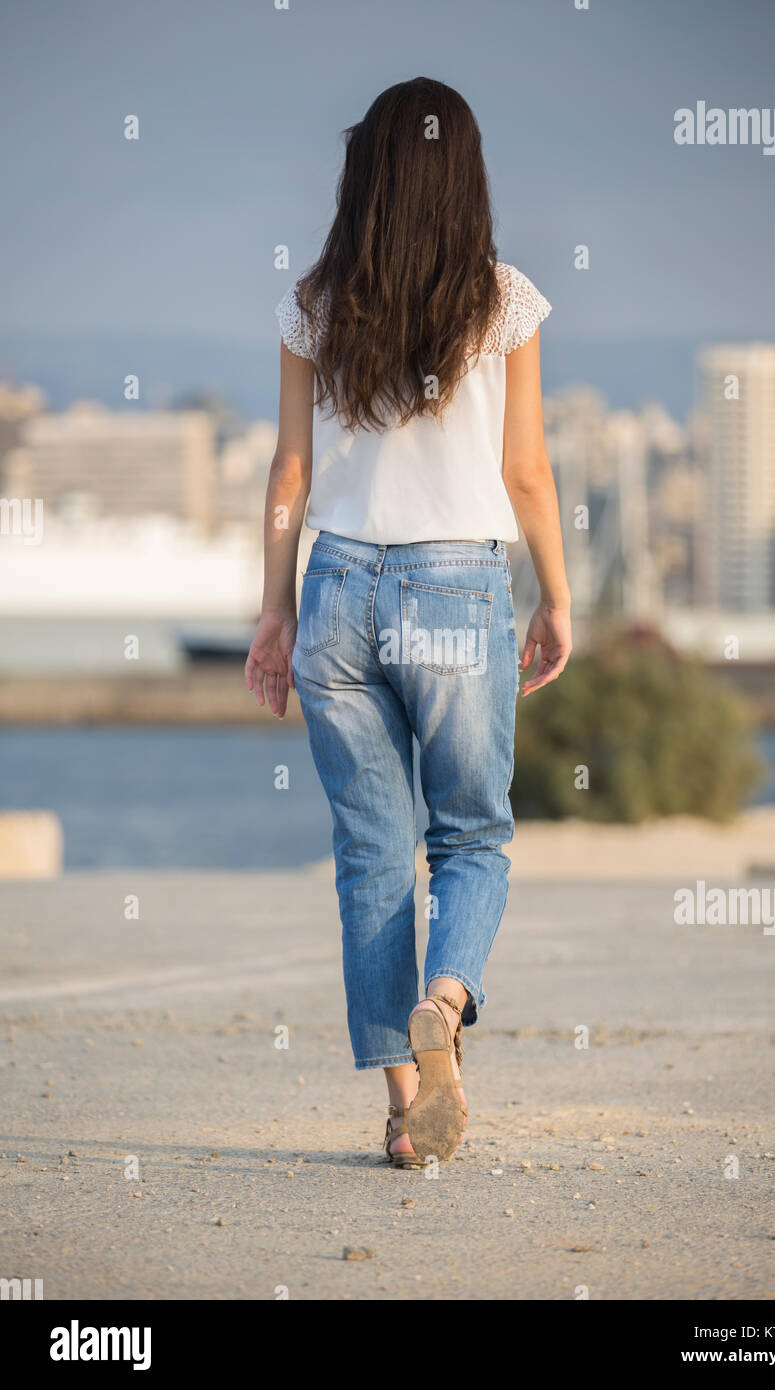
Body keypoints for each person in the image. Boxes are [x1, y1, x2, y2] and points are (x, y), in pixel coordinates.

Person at [245, 77, 571, 1168]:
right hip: (454, 582)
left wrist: (274, 609)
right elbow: (525, 471)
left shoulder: (313, 302)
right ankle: (445, 997)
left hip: (338, 583)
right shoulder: (503, 301)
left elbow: (291, 470)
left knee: (370, 857)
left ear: (365, 175)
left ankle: (402, 1106)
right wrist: (558, 598)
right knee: (470, 833)